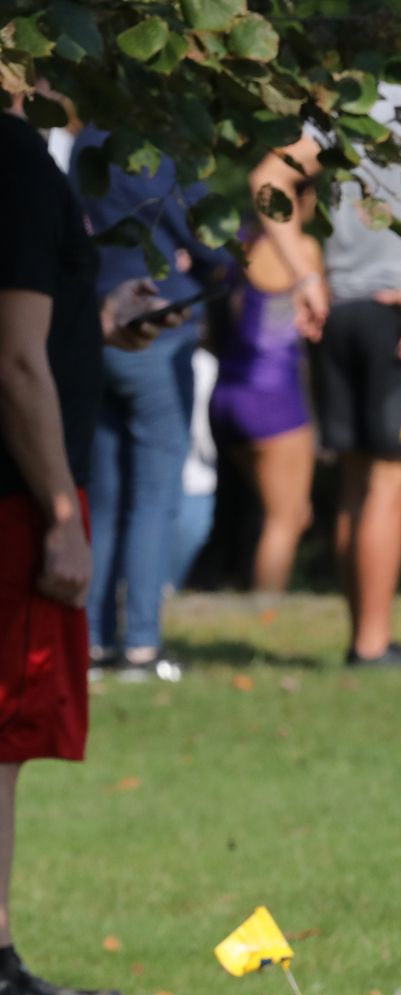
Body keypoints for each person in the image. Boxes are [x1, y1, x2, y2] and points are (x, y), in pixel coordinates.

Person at [1, 93, 182, 995]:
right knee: (2, 737)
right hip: (13, 498)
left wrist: (102, 320)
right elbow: (15, 362)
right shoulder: (16, 165)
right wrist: (63, 514)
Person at [250, 0, 401, 667]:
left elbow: (268, 179)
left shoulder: (343, 114)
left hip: (338, 314)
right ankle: (373, 645)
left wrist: (305, 276)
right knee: (391, 482)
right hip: (399, 314)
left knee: (357, 481)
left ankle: (364, 637)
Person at [68, 126, 231, 679]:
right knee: (156, 495)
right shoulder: (159, 139)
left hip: (97, 326)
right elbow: (213, 239)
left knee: (108, 497)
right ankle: (141, 644)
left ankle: (90, 642)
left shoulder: (84, 143)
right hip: (155, 330)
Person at [209, 221, 320, 596]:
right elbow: (320, 314)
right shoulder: (302, 249)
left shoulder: (233, 245)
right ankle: (267, 618)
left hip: (227, 393)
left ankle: (243, 591)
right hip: (275, 397)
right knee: (287, 518)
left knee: (272, 511)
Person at [171, 346, 220, 588]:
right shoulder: (203, 363)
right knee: (169, 584)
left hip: (148, 484)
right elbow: (206, 438)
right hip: (194, 482)